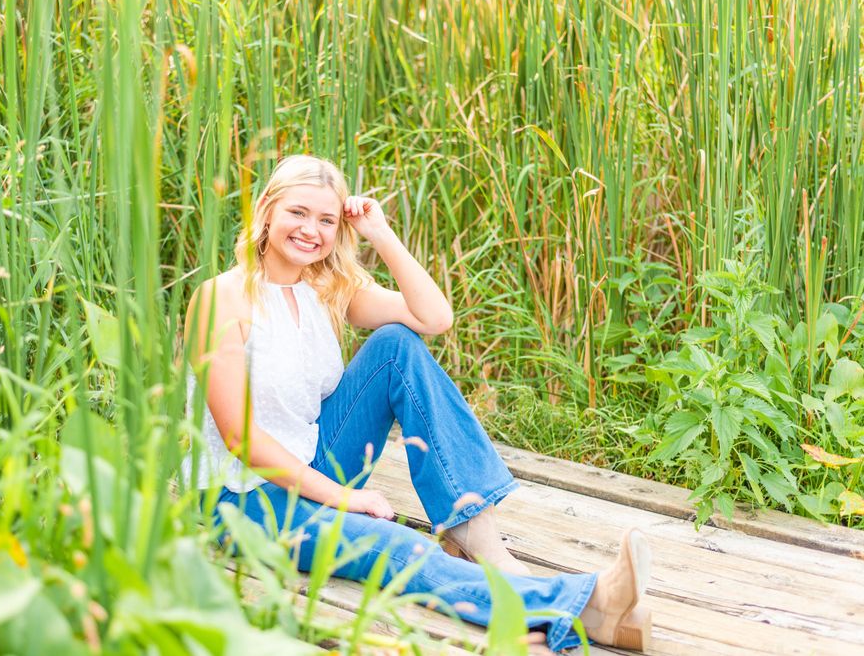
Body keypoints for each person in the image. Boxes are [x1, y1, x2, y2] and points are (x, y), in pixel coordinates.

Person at [183, 154, 653, 652]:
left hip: (312, 459)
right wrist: (346, 499)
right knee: (392, 543)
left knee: (396, 346)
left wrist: (380, 234)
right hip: (246, 500)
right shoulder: (222, 299)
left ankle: (475, 531)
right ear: (267, 210)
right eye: (298, 213)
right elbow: (240, 438)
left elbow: (434, 318)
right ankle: (592, 603)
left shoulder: (325, 288)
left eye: (325, 220)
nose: (310, 230)